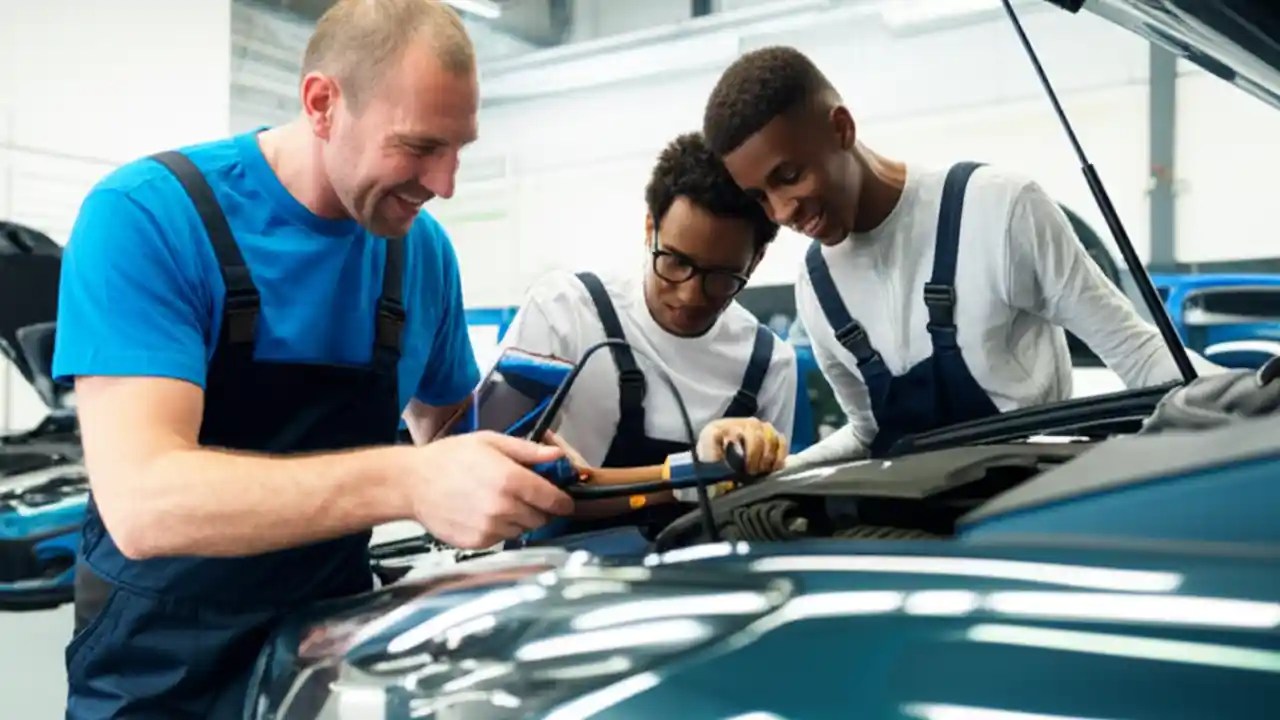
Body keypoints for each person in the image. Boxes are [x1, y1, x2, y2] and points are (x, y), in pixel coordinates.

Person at [51, 2, 573, 717]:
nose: (445, 183)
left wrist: (524, 463)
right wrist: (410, 479)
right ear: (323, 103)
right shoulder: (148, 217)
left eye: (459, 148)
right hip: (156, 672)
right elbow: (146, 503)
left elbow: (449, 430)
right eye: (420, 146)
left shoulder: (421, 254)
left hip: (328, 660)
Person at [700, 46, 1221, 466]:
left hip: (1035, 520)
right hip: (919, 549)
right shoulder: (816, 287)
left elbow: (1140, 355)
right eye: (760, 197)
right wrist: (772, 473)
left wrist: (1251, 400)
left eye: (789, 177)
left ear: (841, 129)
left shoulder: (1000, 210)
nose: (783, 210)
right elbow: (867, 436)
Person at [496, 132, 797, 532]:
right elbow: (517, 482)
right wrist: (696, 474)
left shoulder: (770, 364)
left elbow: (761, 509)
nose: (690, 295)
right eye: (675, 261)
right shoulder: (565, 312)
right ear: (649, 227)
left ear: (756, 260)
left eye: (722, 277)